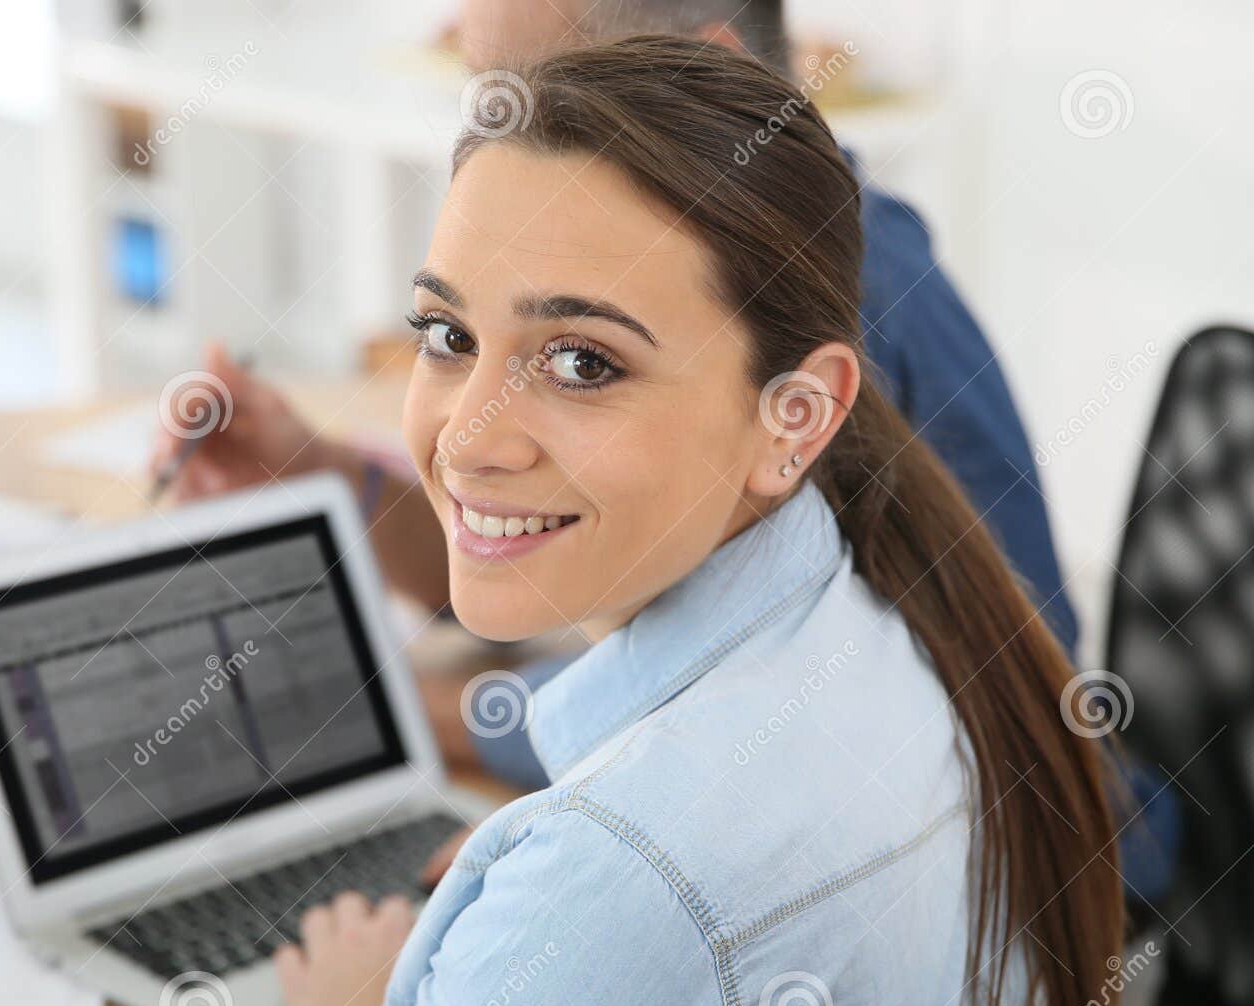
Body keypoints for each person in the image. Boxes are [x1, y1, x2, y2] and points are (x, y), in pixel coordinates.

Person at [268, 36, 1123, 1006]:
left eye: (583, 361)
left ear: (794, 419)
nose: (465, 437)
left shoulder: (627, 880)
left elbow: (652, 899)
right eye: (447, 334)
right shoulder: (886, 629)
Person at [148, 0, 1083, 793]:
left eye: (539, 95)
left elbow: (747, 724)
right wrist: (326, 474)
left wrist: (406, 712)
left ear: (711, 88)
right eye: (483, 97)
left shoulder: (798, 328)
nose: (498, 144)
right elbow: (551, 552)